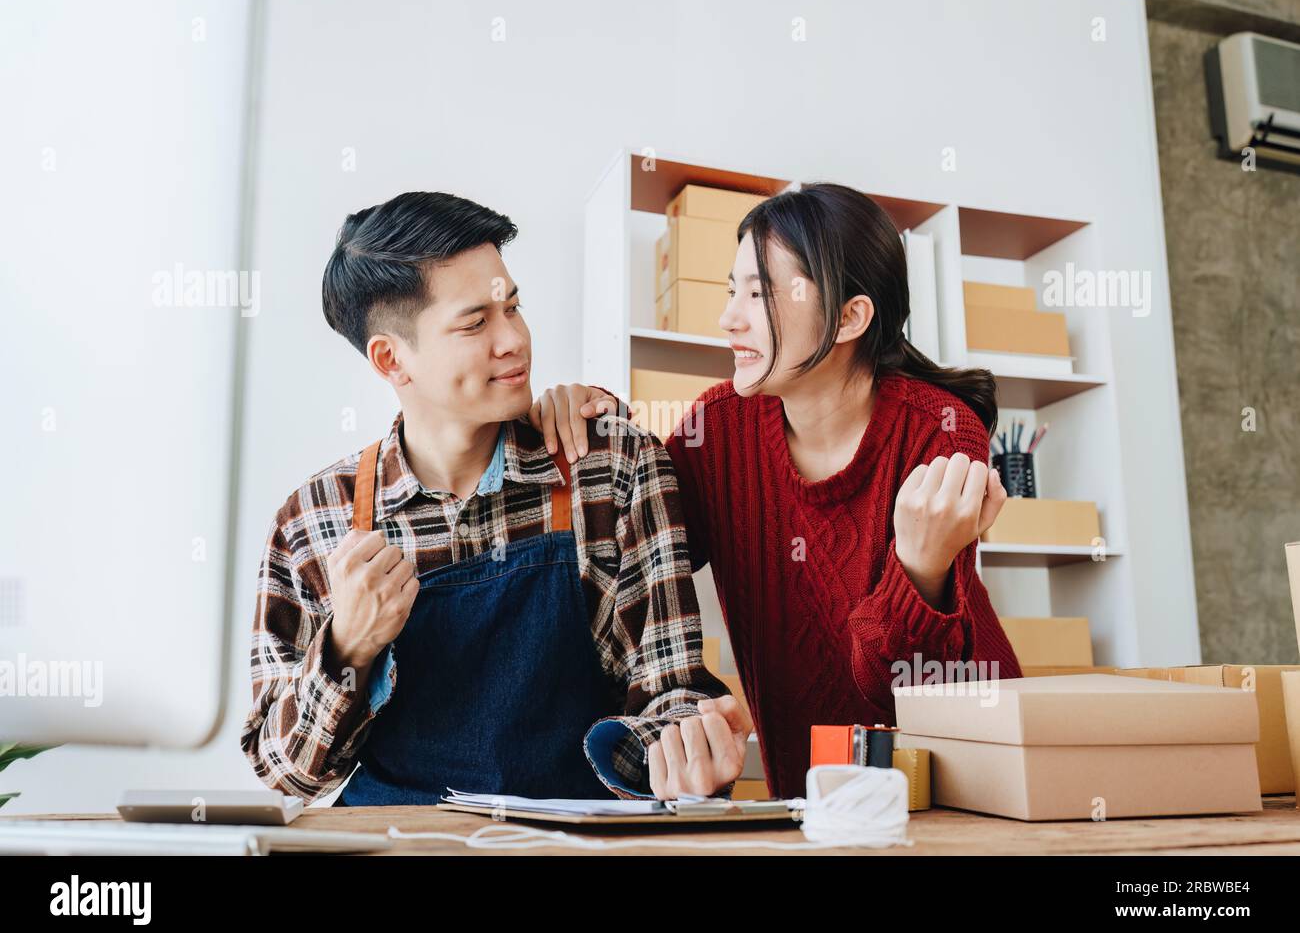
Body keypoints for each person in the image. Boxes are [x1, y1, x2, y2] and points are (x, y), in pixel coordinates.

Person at [240, 191, 750, 805]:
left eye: (513, 306)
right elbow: (287, 774)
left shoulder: (610, 465)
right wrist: (347, 646)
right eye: (475, 322)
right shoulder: (313, 521)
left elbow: (671, 688)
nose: (514, 340)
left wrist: (678, 754)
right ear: (391, 358)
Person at [532, 183, 1024, 799]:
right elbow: (640, 525)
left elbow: (894, 687)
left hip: (966, 777)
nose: (729, 318)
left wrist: (920, 569)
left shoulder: (941, 432)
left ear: (849, 316)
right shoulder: (722, 431)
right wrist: (592, 416)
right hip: (808, 791)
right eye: (731, 290)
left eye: (759, 294)